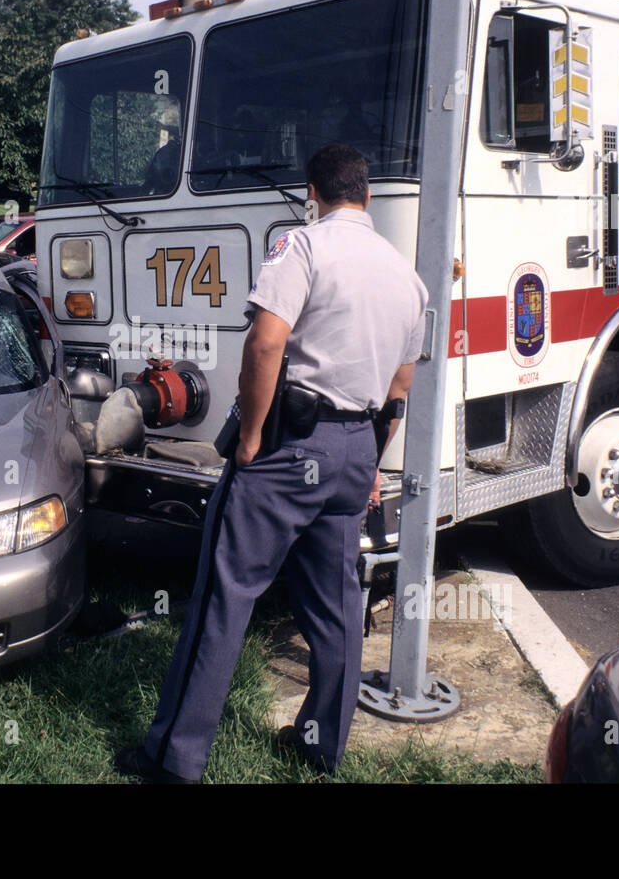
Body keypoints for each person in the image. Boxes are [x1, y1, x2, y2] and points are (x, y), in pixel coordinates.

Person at [116, 143, 428, 783]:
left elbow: (265, 342)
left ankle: (175, 759)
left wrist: (252, 436)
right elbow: (399, 387)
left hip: (290, 448)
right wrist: (370, 465)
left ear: (314, 194)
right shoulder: (407, 276)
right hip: (352, 451)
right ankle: (320, 747)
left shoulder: (304, 247)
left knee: (224, 597)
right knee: (338, 608)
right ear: (366, 195)